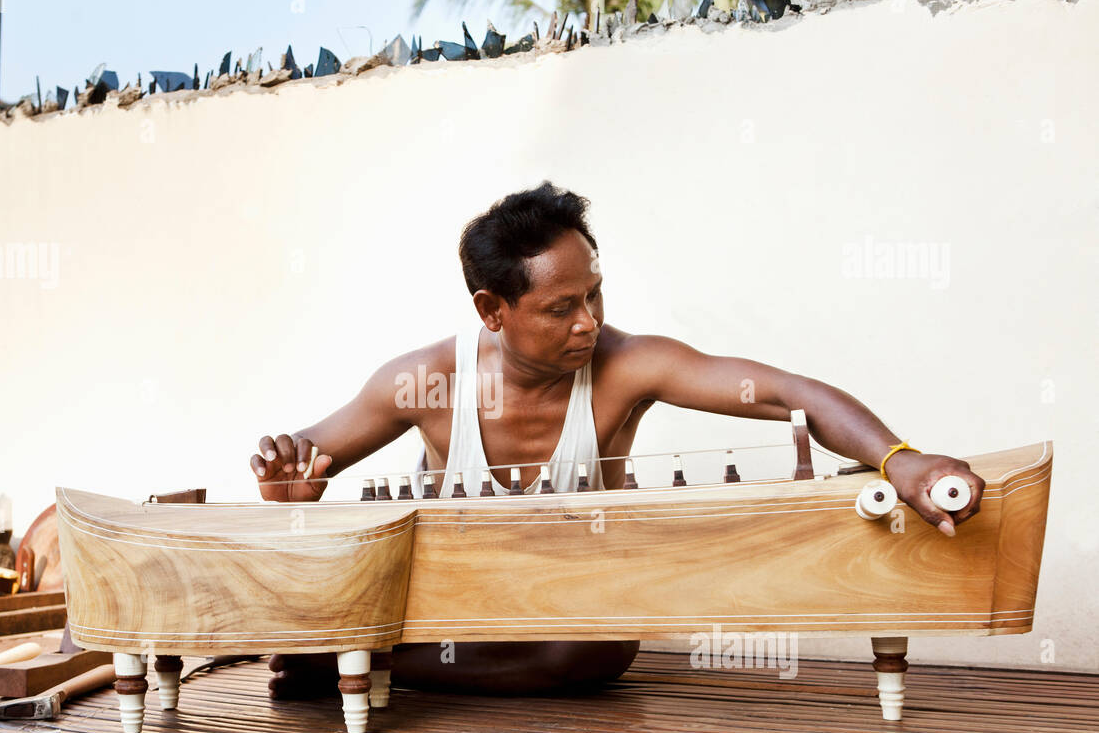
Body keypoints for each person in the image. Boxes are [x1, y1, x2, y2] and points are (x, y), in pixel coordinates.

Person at [249, 181, 984, 699]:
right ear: (492, 309)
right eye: (560, 308)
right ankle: (370, 658)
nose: (589, 322)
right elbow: (307, 455)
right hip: (449, 613)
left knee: (600, 648)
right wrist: (289, 482)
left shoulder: (627, 366)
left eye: (594, 293)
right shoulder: (425, 380)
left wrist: (901, 460)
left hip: (565, 615)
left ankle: (353, 667)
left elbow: (793, 394)